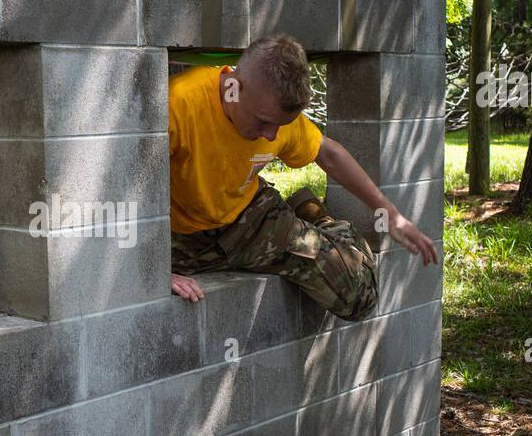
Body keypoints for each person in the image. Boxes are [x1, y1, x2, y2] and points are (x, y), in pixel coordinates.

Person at [168, 34, 439, 320]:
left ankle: (321, 222)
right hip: (182, 240)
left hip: (251, 219)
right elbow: (123, 187)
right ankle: (310, 216)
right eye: (263, 121)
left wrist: (390, 213)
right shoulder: (179, 104)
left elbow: (328, 154)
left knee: (360, 295)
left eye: (279, 125)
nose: (272, 135)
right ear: (234, 86)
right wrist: (155, 276)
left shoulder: (273, 112)